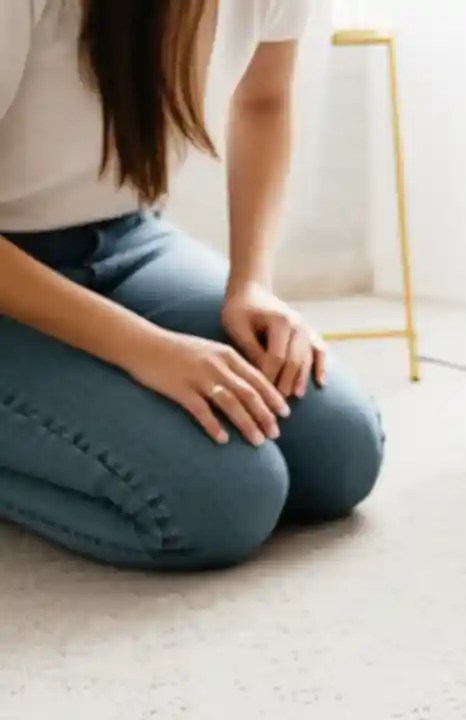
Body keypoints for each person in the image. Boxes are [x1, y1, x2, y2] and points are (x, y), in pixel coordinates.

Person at [0, 0, 384, 571]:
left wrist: (251, 284)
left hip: (128, 239)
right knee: (219, 502)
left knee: (339, 455)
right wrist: (143, 347)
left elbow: (264, 103)